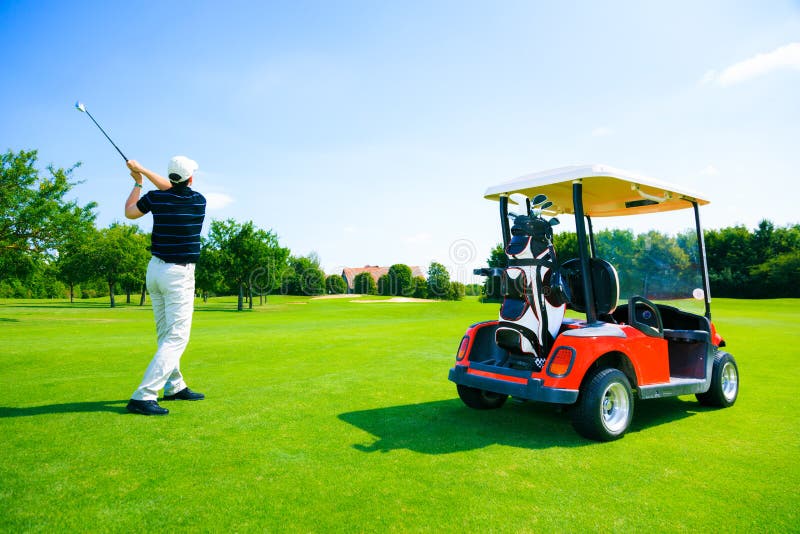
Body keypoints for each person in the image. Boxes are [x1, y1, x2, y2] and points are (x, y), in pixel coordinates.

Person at [123, 156, 207, 415]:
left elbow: (130, 212)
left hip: (155, 271)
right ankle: (144, 395)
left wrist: (138, 181)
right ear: (190, 179)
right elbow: (171, 188)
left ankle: (175, 386)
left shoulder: (155, 198)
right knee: (176, 337)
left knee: (165, 333)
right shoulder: (198, 201)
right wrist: (143, 171)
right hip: (178, 275)